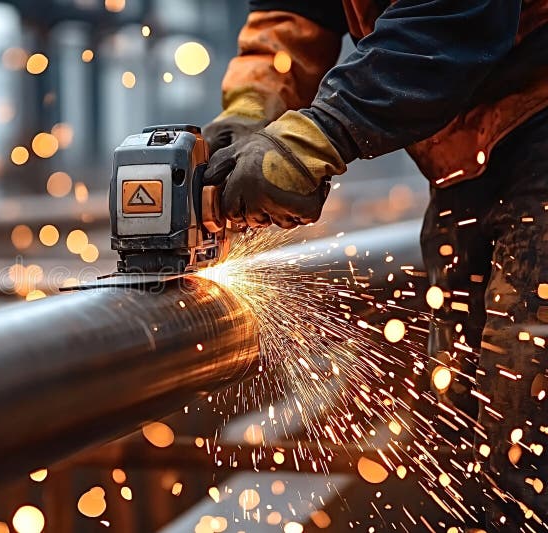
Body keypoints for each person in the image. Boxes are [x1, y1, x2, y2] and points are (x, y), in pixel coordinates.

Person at [203, 1, 548, 530]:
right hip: (466, 159)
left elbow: (451, 18)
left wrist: (321, 130)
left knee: (528, 402)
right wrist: (252, 108)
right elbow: (293, 16)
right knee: (458, 407)